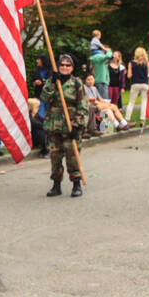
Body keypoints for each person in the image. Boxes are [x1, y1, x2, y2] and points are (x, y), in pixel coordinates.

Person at [40, 53, 88, 197]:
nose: (64, 67)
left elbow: (83, 106)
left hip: (71, 125)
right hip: (54, 125)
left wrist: (77, 126)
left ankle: (76, 184)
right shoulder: (52, 81)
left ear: (72, 68)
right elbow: (45, 98)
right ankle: (56, 185)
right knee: (55, 157)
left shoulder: (77, 83)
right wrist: (53, 83)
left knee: (72, 156)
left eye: (68, 65)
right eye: (62, 65)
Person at [126, 47, 149, 124]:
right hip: (144, 84)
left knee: (131, 102)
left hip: (135, 84)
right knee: (144, 102)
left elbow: (129, 76)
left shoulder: (131, 63)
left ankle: (127, 119)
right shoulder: (146, 63)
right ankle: (142, 120)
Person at [89, 30, 112, 99]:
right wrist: (109, 50)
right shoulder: (98, 57)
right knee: (104, 100)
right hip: (100, 81)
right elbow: (108, 56)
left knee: (104, 100)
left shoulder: (99, 57)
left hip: (103, 81)